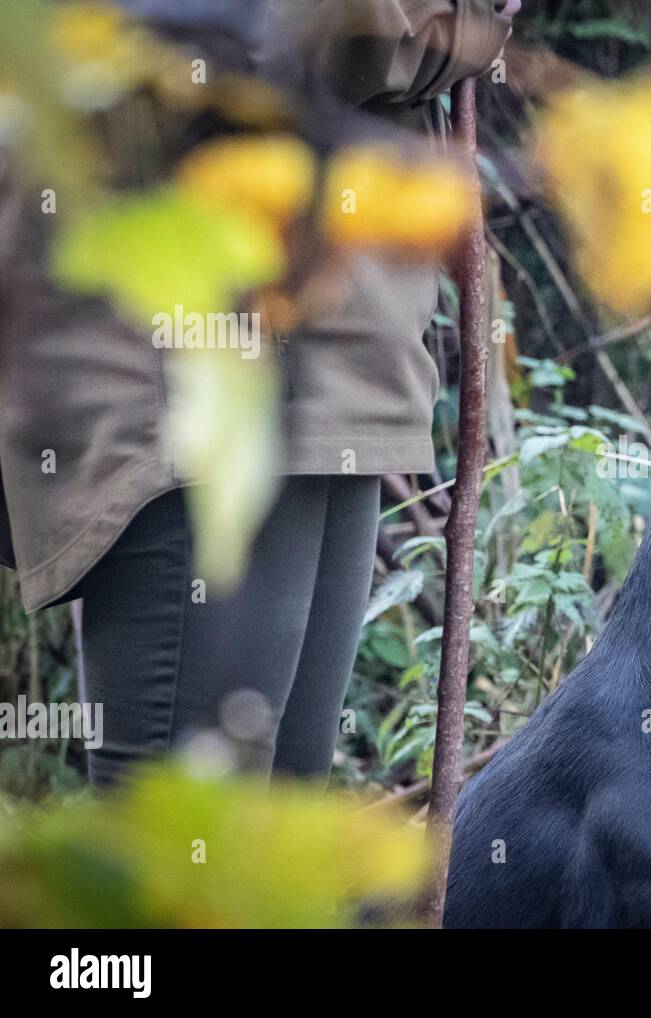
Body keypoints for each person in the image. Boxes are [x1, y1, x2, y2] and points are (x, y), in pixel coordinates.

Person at [0, 0, 519, 786]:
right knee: (185, 840)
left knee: (277, 816)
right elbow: (272, 28)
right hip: (190, 361)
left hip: (334, 352)